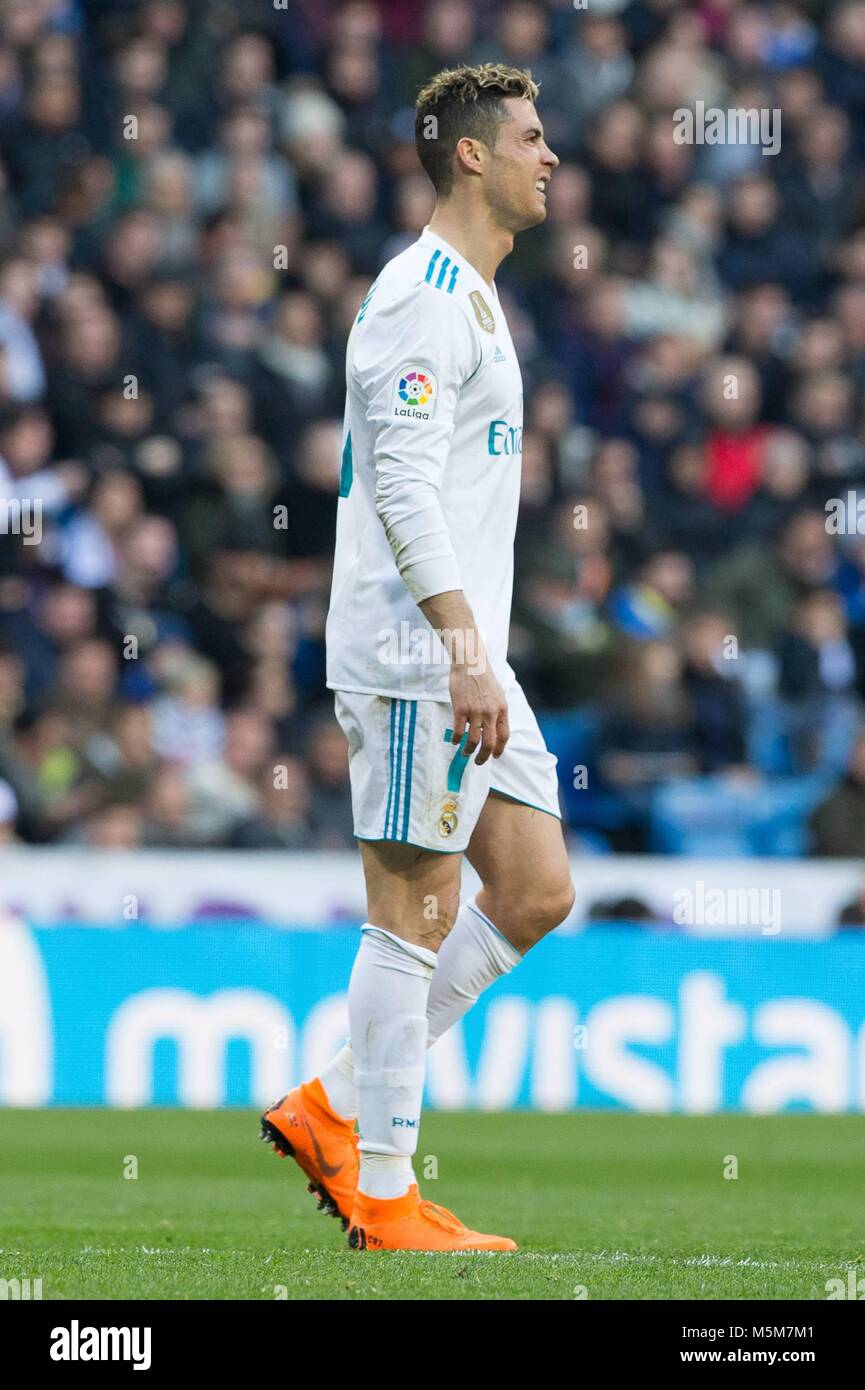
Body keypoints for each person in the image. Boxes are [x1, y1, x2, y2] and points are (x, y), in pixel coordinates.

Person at [260, 63, 573, 1252]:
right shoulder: (419, 296)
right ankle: (383, 1190)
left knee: (536, 886)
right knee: (414, 907)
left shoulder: (477, 297)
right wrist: (458, 651)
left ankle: (337, 1099)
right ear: (472, 156)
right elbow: (395, 484)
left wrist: (478, 651)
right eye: (533, 139)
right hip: (415, 650)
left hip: (463, 649)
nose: (552, 158)